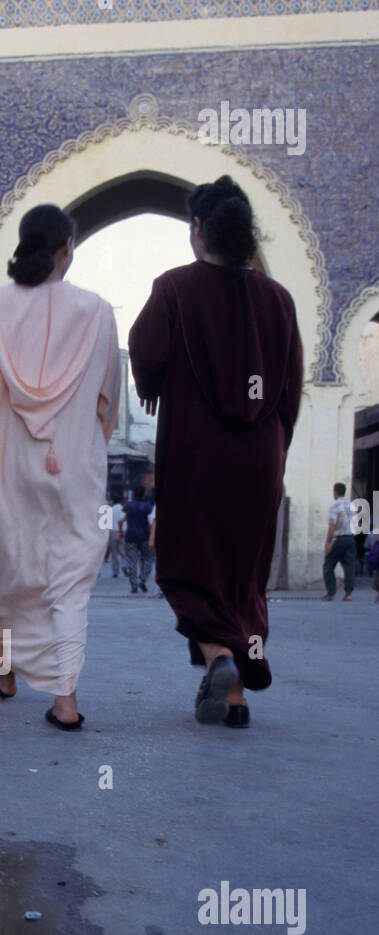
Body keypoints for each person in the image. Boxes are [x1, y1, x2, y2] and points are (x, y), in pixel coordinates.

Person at [129, 175, 303, 729]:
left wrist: (153, 384)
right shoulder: (279, 300)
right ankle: (233, 698)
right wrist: (271, 455)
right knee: (241, 577)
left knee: (191, 568)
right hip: (260, 458)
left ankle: (221, 658)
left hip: (196, 456)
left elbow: (147, 353)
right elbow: (291, 390)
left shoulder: (174, 288)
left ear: (198, 228)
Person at [0, 202, 120, 729]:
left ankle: (4, 670)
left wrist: (13, 397)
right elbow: (107, 399)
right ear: (66, 248)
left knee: (10, 569)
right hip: (75, 463)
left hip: (11, 462)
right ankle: (65, 703)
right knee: (69, 582)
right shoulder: (97, 311)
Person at [322, 482, 356, 601]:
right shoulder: (352, 505)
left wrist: (328, 542)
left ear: (335, 492)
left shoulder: (335, 506)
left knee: (328, 564)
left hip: (339, 538)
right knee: (349, 566)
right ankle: (348, 594)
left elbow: (332, 525)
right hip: (350, 538)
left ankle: (331, 592)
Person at [122, 485, 154, 593]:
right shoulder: (147, 506)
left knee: (131, 561)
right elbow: (151, 520)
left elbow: (123, 517)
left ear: (134, 494)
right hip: (145, 535)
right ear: (144, 494)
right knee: (149, 558)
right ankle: (143, 580)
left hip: (130, 536)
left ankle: (134, 585)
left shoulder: (128, 505)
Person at [105, 491, 124, 579]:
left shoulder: (109, 510)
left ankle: (115, 571)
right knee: (124, 552)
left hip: (112, 532)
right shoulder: (124, 509)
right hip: (122, 532)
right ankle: (125, 566)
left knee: (114, 553)